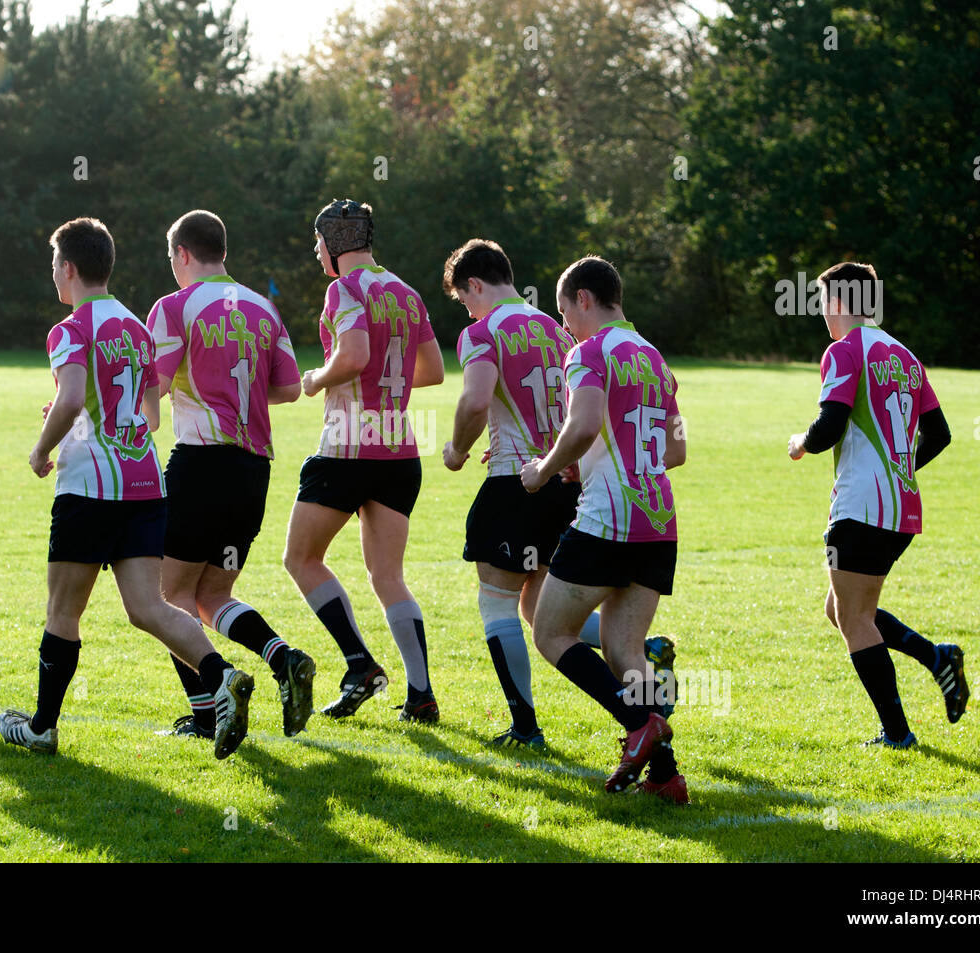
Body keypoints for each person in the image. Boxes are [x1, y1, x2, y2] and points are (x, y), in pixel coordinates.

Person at [0, 217, 253, 760]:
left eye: (53, 268)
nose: (53, 279)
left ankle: (42, 727)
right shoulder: (137, 329)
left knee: (63, 612)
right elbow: (148, 416)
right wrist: (84, 410)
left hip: (90, 487)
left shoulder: (69, 330)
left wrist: (43, 449)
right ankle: (224, 675)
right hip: (143, 484)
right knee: (148, 608)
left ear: (68, 269)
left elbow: (71, 401)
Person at [522, 256, 689, 803]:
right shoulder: (657, 359)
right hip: (658, 521)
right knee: (624, 649)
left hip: (607, 520)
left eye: (564, 309)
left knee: (550, 633)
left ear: (584, 299)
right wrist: (592, 458)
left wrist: (544, 470)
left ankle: (638, 726)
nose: (564, 322)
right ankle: (665, 777)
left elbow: (586, 422)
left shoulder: (588, 353)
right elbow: (675, 450)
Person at [145, 210, 315, 740]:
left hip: (200, 463)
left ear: (182, 255)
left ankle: (205, 710)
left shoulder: (174, 307)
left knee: (165, 597)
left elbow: (157, 382)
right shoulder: (264, 308)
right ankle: (283, 657)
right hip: (252, 470)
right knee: (213, 594)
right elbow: (288, 389)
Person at [787, 261, 964, 749]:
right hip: (901, 510)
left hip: (861, 507)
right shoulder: (905, 355)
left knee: (854, 618)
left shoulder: (844, 351)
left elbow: (830, 426)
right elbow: (941, 435)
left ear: (840, 302)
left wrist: (799, 443)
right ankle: (936, 657)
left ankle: (898, 733)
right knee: (842, 608)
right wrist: (900, 469)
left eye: (823, 302)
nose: (823, 313)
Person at [282, 199, 445, 721]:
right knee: (387, 575)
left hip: (349, 444)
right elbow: (434, 371)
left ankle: (359, 664)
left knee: (300, 559)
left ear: (331, 245)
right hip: (398, 448)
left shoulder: (343, 288)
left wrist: (317, 379)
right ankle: (420, 694)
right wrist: (382, 381)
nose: (315, 253)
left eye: (316, 244)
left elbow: (352, 355)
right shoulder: (405, 291)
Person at [441, 239, 577, 750]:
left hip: (514, 484)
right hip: (564, 481)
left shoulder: (481, 331)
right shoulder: (559, 331)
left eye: (463, 299)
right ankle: (640, 652)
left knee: (497, 600)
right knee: (543, 611)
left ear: (475, 285)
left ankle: (525, 726)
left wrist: (456, 448)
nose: (466, 309)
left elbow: (476, 399)